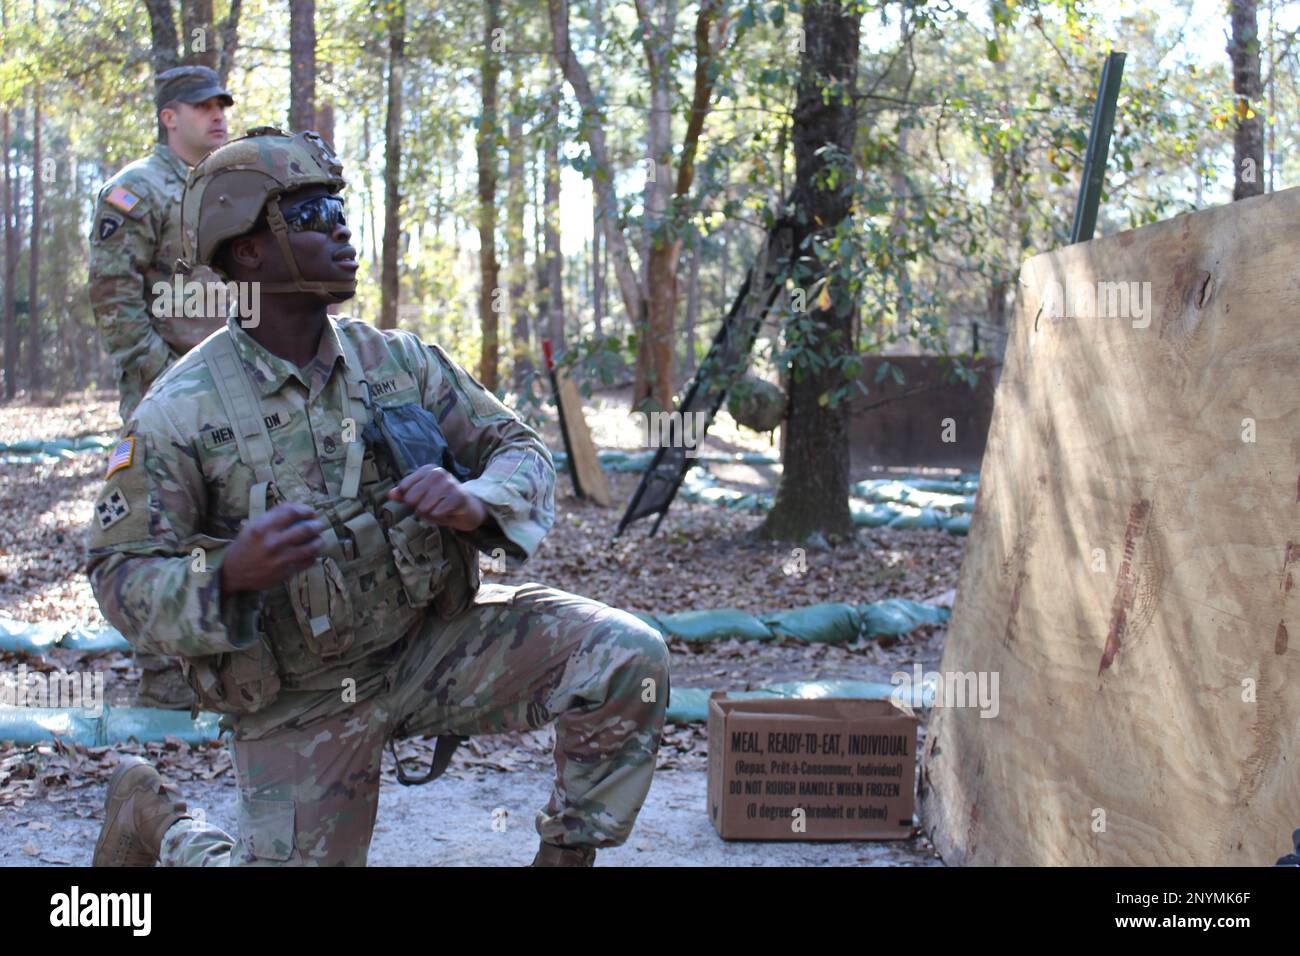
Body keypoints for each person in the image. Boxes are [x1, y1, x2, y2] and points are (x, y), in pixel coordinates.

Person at [86, 128, 670, 867]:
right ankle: (158, 821)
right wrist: (228, 574)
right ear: (247, 250)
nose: (339, 226)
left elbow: (519, 451)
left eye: (338, 206)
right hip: (302, 693)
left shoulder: (396, 363)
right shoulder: (180, 411)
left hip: (430, 645)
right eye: (307, 213)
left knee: (627, 654)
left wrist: (476, 499)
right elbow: (119, 576)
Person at [88, 64, 235, 709]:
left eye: (222, 103)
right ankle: (162, 676)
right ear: (169, 116)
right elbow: (114, 297)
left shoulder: (227, 187)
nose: (218, 114)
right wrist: (161, 376)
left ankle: (218, 648)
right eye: (202, 106)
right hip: (161, 390)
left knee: (226, 511)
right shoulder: (134, 190)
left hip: (227, 381)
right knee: (152, 522)